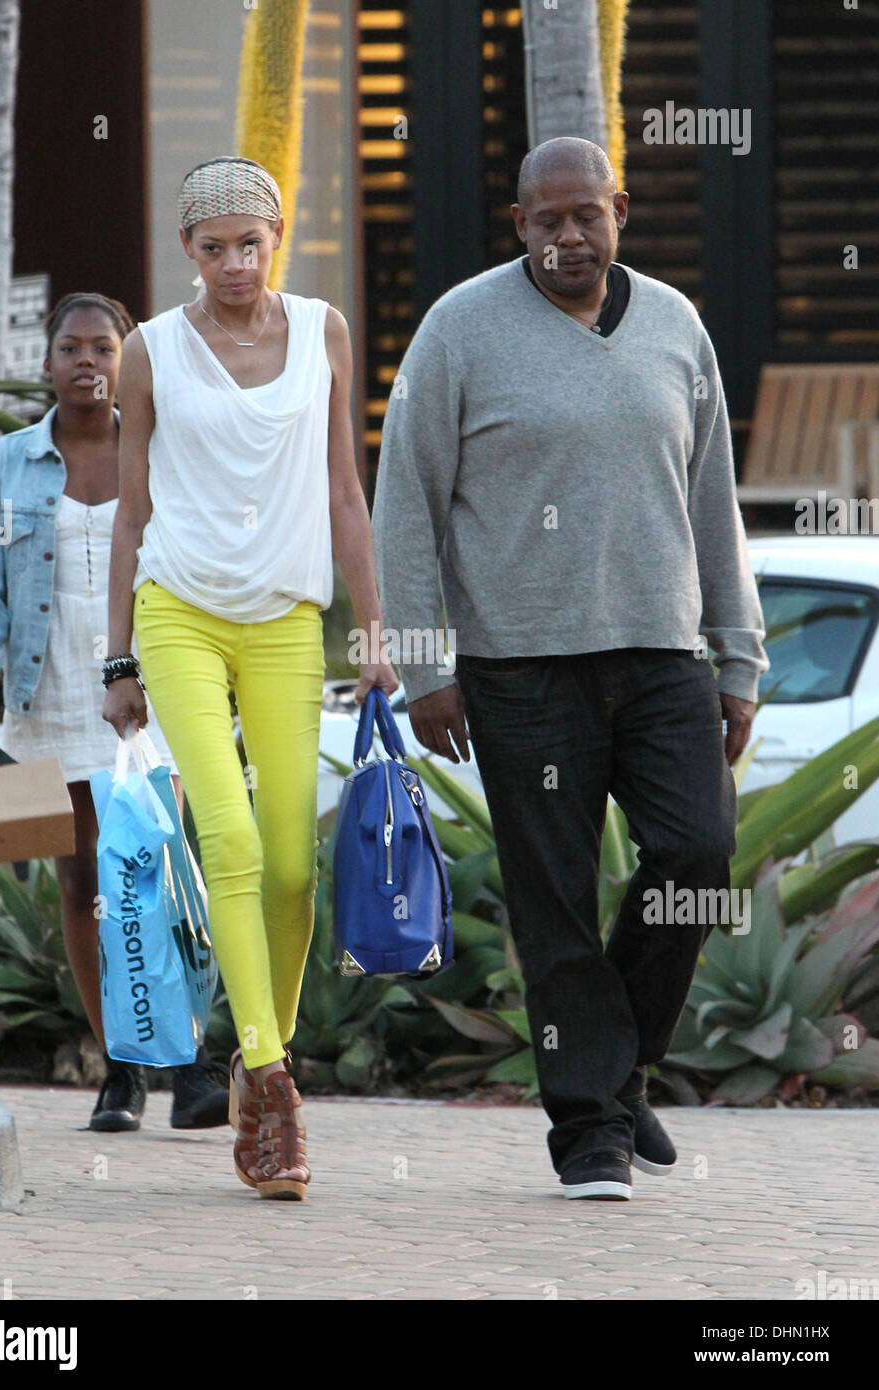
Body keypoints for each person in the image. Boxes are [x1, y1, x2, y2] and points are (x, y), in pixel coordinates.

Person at [372, 137, 768, 1201]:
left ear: (618, 211)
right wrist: (423, 667)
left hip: (663, 657)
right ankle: (588, 1128)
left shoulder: (677, 327)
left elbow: (711, 503)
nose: (565, 235)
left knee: (695, 853)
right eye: (543, 219)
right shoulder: (459, 329)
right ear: (517, 227)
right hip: (518, 670)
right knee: (552, 902)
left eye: (582, 214)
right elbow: (403, 503)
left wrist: (737, 657)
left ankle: (615, 1060)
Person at [102, 156, 397, 1200]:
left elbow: (344, 491)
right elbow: (130, 512)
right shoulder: (148, 353)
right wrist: (117, 653)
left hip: (284, 619)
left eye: (250, 240)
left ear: (279, 234)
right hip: (177, 616)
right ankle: (271, 1086)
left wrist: (373, 630)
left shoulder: (323, 330)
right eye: (213, 245)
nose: (234, 261)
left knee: (288, 866)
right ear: (187, 249)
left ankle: (250, 1050)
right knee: (223, 837)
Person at [0, 292, 230, 1134]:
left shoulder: (167, 451)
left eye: (104, 348)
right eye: (71, 348)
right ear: (46, 363)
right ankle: (122, 1071)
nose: (87, 363)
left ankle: (188, 1060)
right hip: (48, 689)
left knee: (158, 872)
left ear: (129, 360)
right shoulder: (2, 467)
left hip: (155, 689)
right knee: (82, 884)